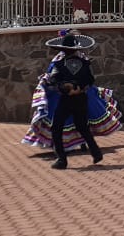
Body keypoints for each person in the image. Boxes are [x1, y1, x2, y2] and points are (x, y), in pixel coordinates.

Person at [22, 29, 122, 155]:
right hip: (74, 95)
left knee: (67, 123)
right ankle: (88, 147)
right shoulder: (70, 60)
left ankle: (65, 154)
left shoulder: (65, 61)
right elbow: (87, 78)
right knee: (79, 122)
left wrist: (56, 83)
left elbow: (55, 77)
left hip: (71, 96)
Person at [36, 31, 110, 170]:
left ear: (63, 49)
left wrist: (65, 87)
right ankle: (96, 152)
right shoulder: (85, 63)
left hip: (66, 100)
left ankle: (61, 160)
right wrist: (79, 88)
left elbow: (53, 80)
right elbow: (90, 80)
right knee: (82, 127)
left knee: (56, 128)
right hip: (81, 98)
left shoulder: (59, 64)